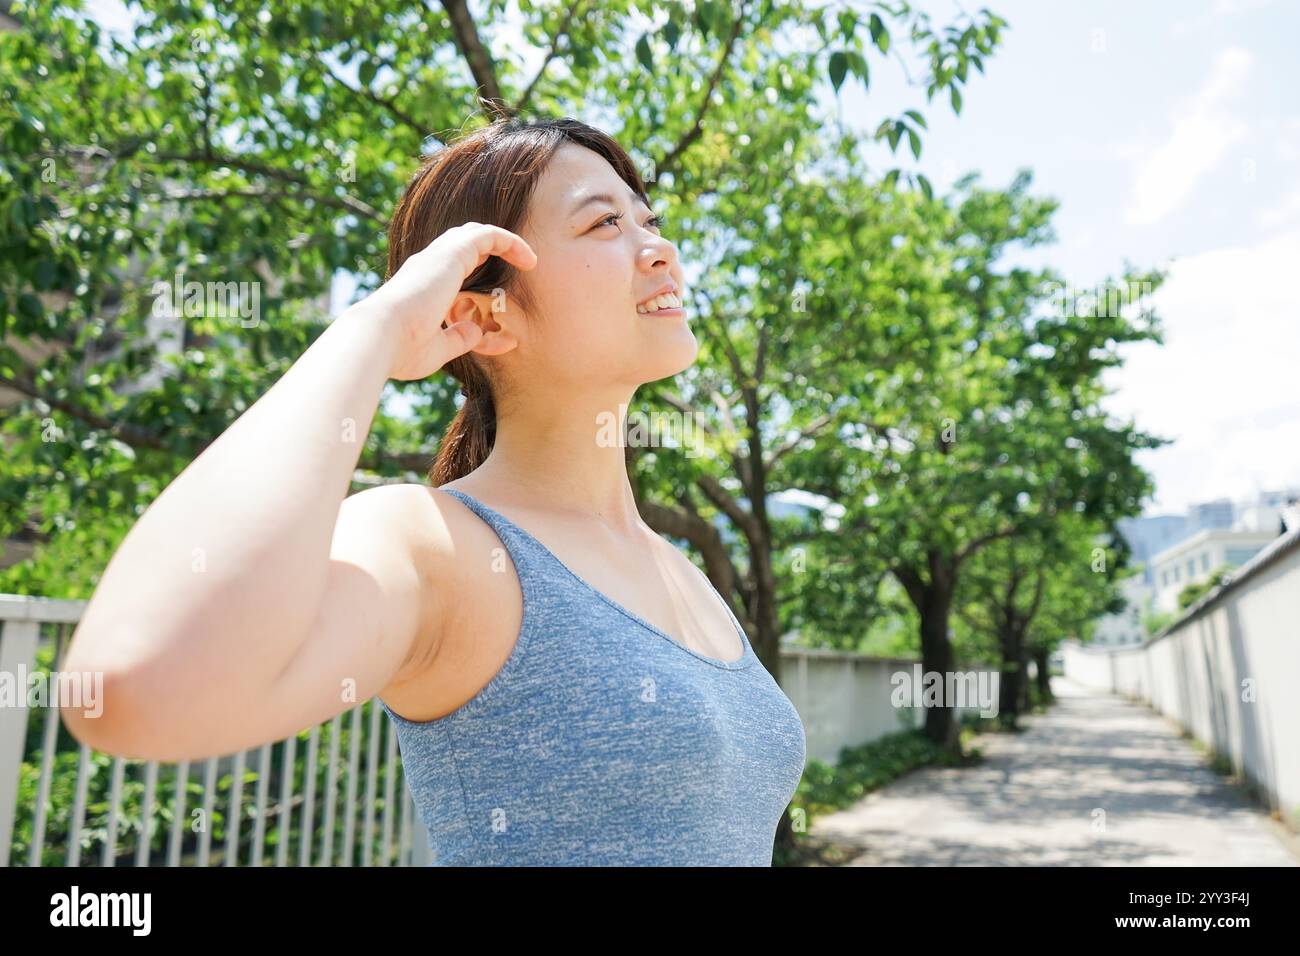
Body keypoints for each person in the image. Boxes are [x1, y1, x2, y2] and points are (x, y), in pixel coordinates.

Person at [61, 116, 807, 866]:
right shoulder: (439, 546)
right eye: (605, 222)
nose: (659, 247)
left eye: (650, 218)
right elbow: (135, 687)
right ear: (484, 312)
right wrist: (376, 328)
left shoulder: (683, 573)